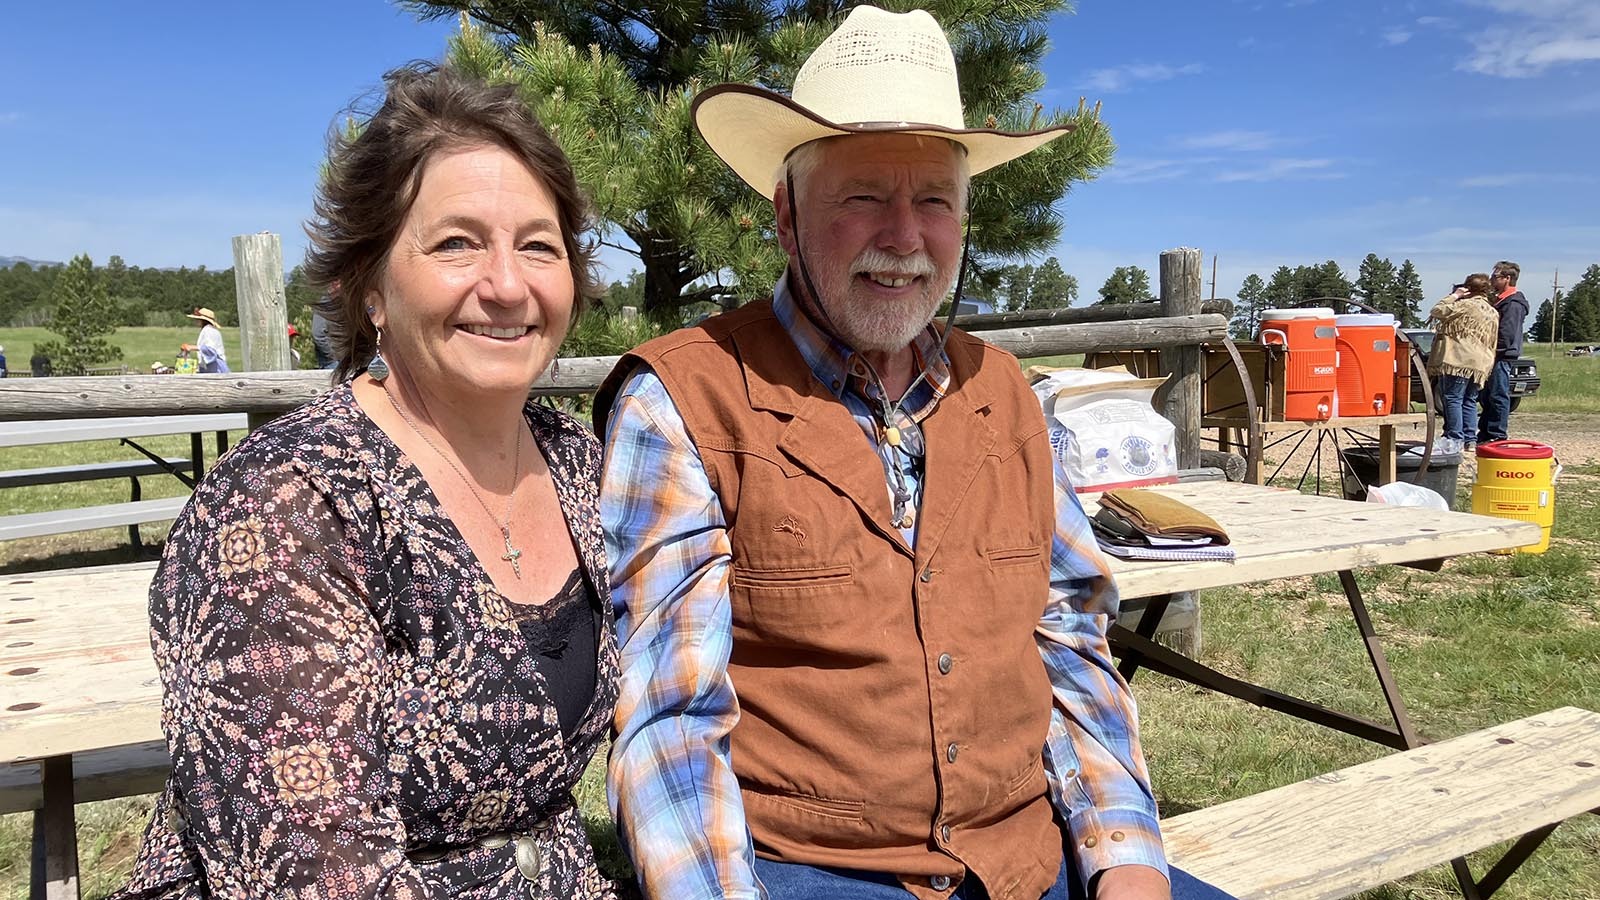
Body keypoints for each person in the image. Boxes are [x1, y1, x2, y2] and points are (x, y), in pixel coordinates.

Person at [599, 8, 1233, 900]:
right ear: (787, 217)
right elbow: (669, 716)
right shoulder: (681, 399)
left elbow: (1071, 645)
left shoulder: (1005, 393)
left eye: (934, 199)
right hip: (809, 870)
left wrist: (1127, 860)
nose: (904, 236)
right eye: (863, 196)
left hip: (1025, 854)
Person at [114, 64, 632, 900]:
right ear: (370, 288)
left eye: (538, 244)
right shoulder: (288, 503)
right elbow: (310, 871)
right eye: (457, 242)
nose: (507, 285)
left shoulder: (576, 462)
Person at [1426, 274, 1499, 454]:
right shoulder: (1492, 312)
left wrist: (1456, 295)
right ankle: (1470, 439)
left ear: (1468, 288)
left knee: (1453, 398)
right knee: (1469, 400)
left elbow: (1437, 310)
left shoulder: (1463, 305)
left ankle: (1455, 437)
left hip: (1458, 360)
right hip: (1479, 363)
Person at [1478, 260, 1529, 445]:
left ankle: (1497, 435)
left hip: (1502, 355)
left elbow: (1506, 334)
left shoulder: (1513, 303)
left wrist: (1492, 351)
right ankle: (1484, 432)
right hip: (1494, 355)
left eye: (1495, 276)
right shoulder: (1500, 301)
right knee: (1487, 395)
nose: (1491, 279)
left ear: (1507, 278)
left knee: (1498, 394)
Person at [183, 307, 231, 373]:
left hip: (216, 368)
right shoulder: (209, 330)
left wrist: (191, 347)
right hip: (212, 367)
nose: (196, 321)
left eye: (198, 319)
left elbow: (210, 350)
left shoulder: (209, 331)